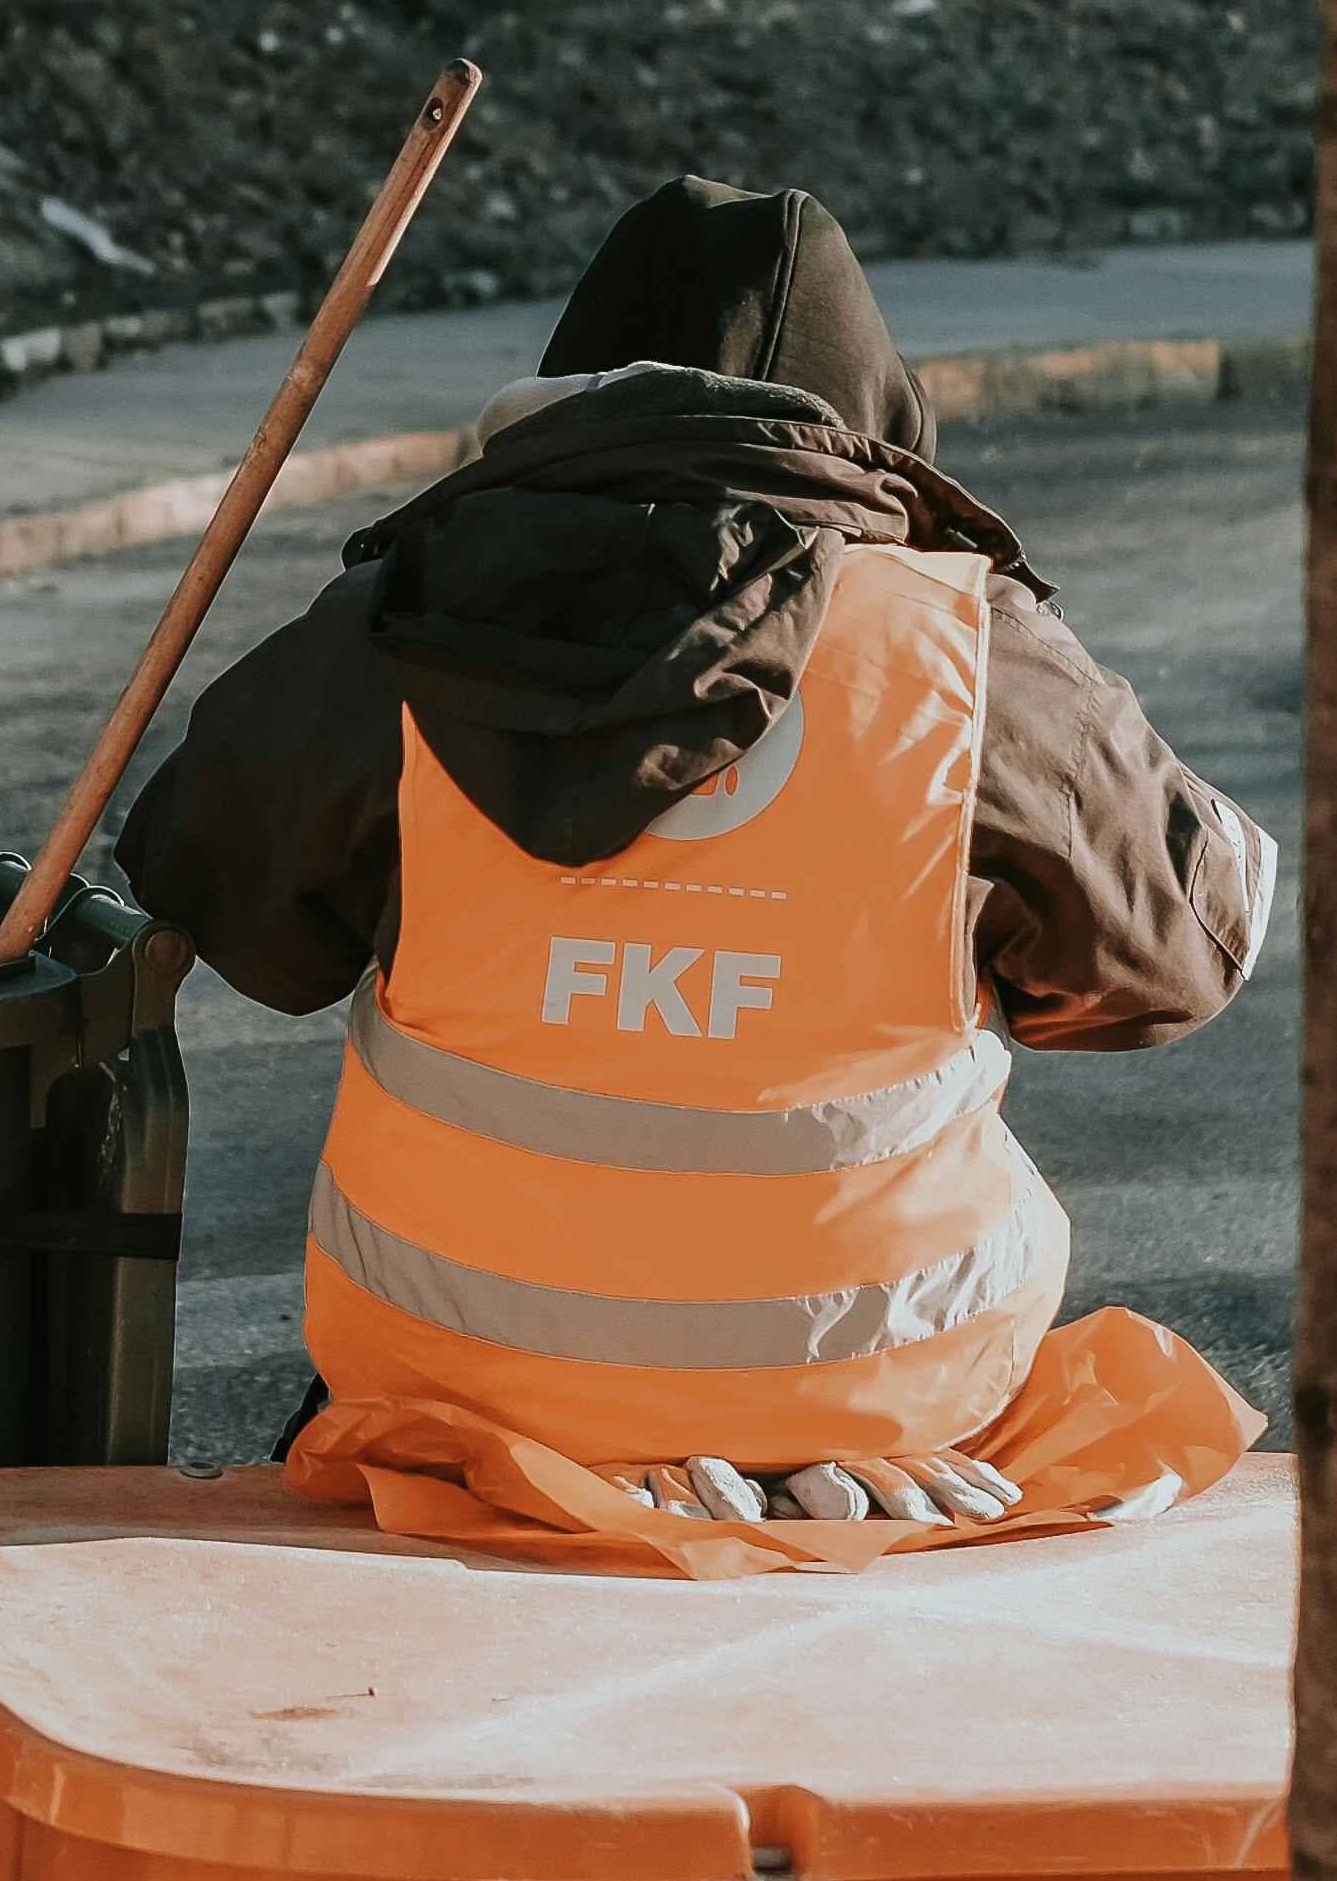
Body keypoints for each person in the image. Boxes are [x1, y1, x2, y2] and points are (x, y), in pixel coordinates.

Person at [124, 169, 1277, 1575]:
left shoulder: (410, 619)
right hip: (889, 1393)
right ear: (876, 428)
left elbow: (221, 891)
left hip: (450, 1374)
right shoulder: (966, 654)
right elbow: (1180, 959)